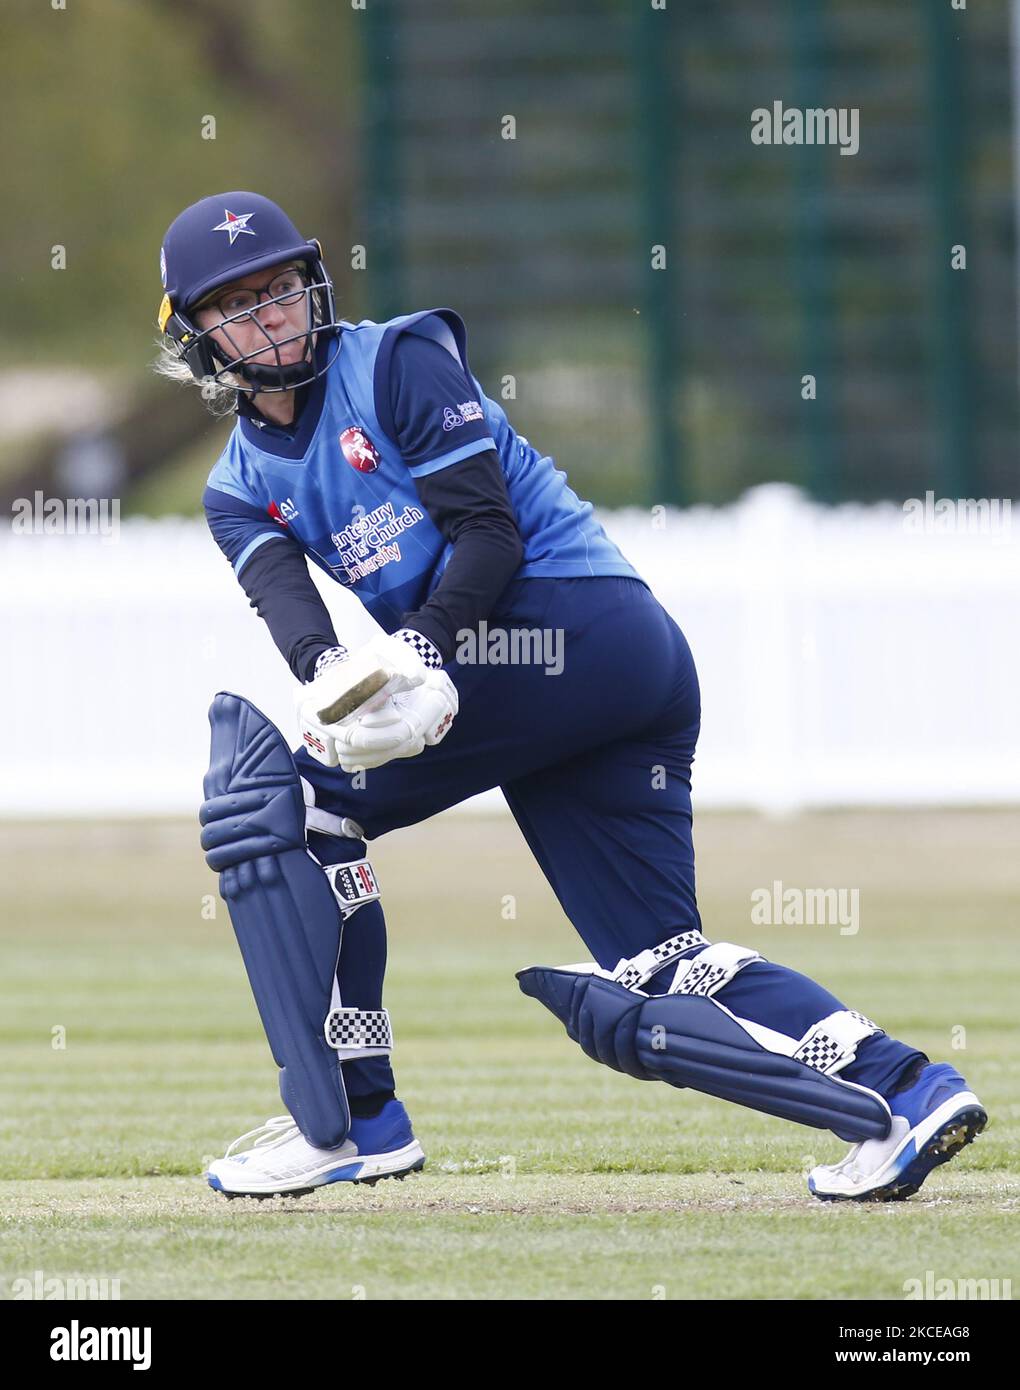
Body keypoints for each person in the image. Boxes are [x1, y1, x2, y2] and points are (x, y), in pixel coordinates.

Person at [156, 191, 987, 1202]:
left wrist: (420, 653)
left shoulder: (399, 361)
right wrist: (348, 691)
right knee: (658, 967)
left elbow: (490, 535)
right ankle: (904, 1091)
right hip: (574, 687)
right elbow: (306, 639)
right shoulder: (238, 490)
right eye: (240, 304)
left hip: (578, 633)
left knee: (286, 807)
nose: (275, 314)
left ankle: (352, 1120)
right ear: (196, 335)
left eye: (283, 286)